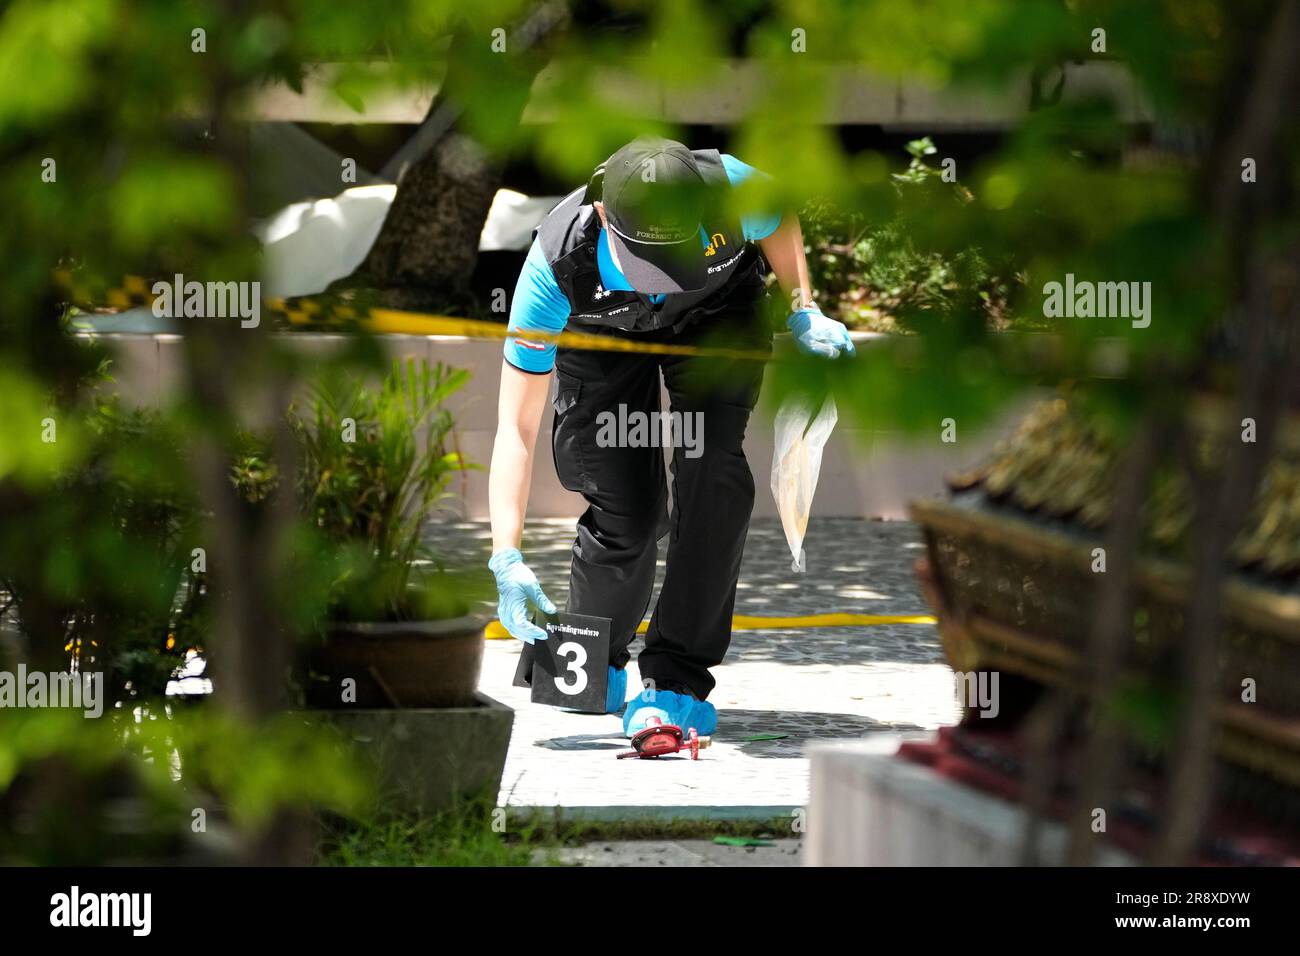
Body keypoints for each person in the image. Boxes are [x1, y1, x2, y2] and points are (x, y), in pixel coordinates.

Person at [488, 137, 853, 737]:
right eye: (647, 265)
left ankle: (677, 677)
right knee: (626, 507)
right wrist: (506, 553)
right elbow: (515, 428)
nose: (661, 281)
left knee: (713, 477)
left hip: (715, 317)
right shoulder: (555, 269)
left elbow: (779, 215)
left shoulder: (732, 189)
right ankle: (590, 664)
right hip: (601, 333)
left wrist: (803, 307)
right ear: (606, 219)